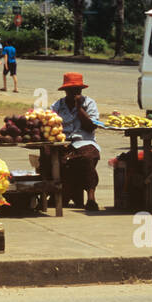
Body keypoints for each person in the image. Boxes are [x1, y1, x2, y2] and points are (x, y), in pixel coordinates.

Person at [50, 72, 101, 212]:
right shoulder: (57, 105)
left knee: (87, 157)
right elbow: (49, 124)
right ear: (65, 91)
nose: (74, 93)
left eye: (77, 90)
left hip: (84, 141)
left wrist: (79, 108)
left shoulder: (89, 103)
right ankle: (60, 193)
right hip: (63, 142)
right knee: (50, 157)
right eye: (71, 90)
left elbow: (91, 126)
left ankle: (91, 197)